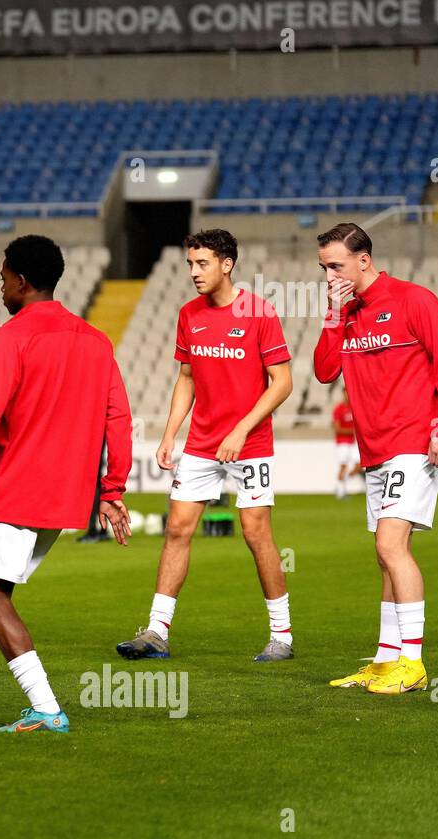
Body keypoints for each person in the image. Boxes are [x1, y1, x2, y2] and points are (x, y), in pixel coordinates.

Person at [0, 235, 132, 733]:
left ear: (23, 281)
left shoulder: (12, 336)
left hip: (20, 489)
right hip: (69, 496)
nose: (1, 283)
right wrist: (112, 490)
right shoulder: (97, 342)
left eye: (4, 276)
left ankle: (46, 707)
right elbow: (119, 419)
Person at [115, 229, 295, 664]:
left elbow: (283, 383)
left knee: (256, 534)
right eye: (190, 264)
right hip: (200, 443)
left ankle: (282, 636)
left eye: (202, 264)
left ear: (227, 264)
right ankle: (157, 631)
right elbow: (187, 377)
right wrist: (169, 432)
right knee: (177, 528)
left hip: (249, 444)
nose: (194, 272)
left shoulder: (259, 312)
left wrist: (241, 429)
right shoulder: (189, 314)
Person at [313, 222, 438, 695]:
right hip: (373, 448)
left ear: (363, 260)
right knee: (385, 556)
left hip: (413, 441)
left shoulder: (414, 300)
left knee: (390, 547)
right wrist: (334, 316)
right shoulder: (347, 312)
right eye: (323, 268)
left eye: (335, 266)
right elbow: (323, 371)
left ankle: (414, 664)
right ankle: (384, 659)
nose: (329, 276)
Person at [332, 386, 363, 499]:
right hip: (342, 442)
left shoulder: (354, 408)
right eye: (345, 393)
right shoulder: (338, 409)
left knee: (359, 465)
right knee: (343, 466)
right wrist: (353, 431)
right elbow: (337, 428)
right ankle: (340, 492)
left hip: (353, 442)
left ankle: (341, 482)